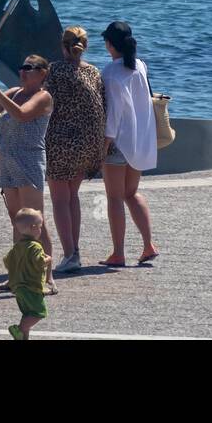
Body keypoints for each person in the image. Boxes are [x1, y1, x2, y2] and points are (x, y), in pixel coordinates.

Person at [0, 57, 55, 292]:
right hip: (8, 161)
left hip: (29, 159)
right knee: (17, 220)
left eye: (29, 68)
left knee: (36, 220)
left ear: (42, 73)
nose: (23, 71)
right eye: (22, 67)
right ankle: (17, 275)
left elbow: (21, 114)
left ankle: (48, 277)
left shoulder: (43, 97)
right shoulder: (13, 91)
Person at [45, 26, 106, 275]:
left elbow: (47, 103)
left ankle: (70, 255)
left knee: (60, 198)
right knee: (72, 196)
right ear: (85, 46)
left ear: (63, 46)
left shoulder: (55, 70)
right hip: (90, 144)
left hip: (61, 142)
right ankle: (74, 250)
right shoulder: (94, 72)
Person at [99, 21, 158, 268]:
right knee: (131, 193)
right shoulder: (140, 66)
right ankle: (148, 245)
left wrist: (105, 142)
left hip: (118, 141)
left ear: (110, 44)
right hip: (140, 139)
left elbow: (113, 112)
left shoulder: (110, 72)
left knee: (114, 197)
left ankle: (118, 253)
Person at [4, 207, 48, 341]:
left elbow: (7, 261)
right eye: (40, 226)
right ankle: (19, 329)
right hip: (31, 287)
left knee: (27, 313)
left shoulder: (17, 246)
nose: (41, 230)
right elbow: (39, 262)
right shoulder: (35, 246)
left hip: (18, 287)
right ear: (33, 227)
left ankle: (23, 336)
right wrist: (48, 259)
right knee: (39, 312)